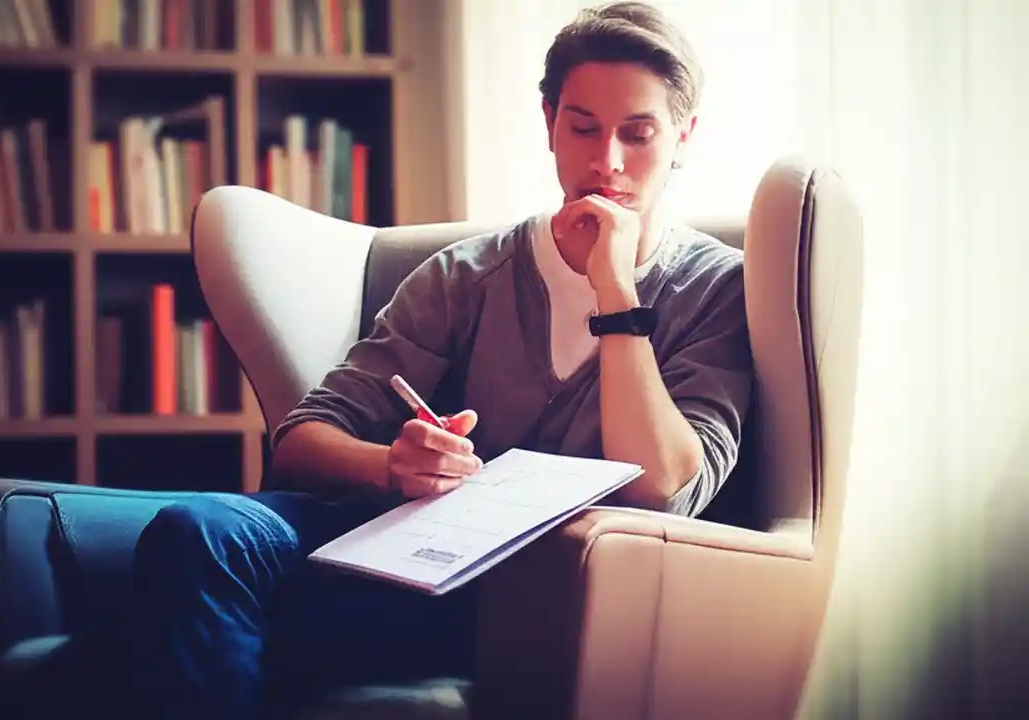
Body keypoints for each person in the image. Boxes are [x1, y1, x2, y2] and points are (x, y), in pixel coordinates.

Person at [131, 2, 753, 718]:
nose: (606, 162)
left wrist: (615, 290)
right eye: (583, 127)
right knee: (198, 533)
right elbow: (300, 443)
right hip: (401, 554)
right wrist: (392, 466)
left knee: (205, 625)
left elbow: (664, 489)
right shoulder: (465, 276)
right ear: (549, 122)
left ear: (682, 136)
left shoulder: (718, 290)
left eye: (637, 134)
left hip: (545, 594)